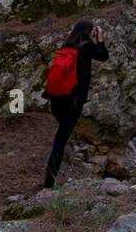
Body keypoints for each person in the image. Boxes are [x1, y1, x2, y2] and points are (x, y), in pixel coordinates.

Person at [42, 18, 109, 189]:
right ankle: (48, 184)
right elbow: (104, 56)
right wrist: (100, 38)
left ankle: (50, 181)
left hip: (56, 98)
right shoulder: (87, 47)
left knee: (62, 133)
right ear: (89, 31)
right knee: (60, 141)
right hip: (73, 100)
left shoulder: (67, 45)